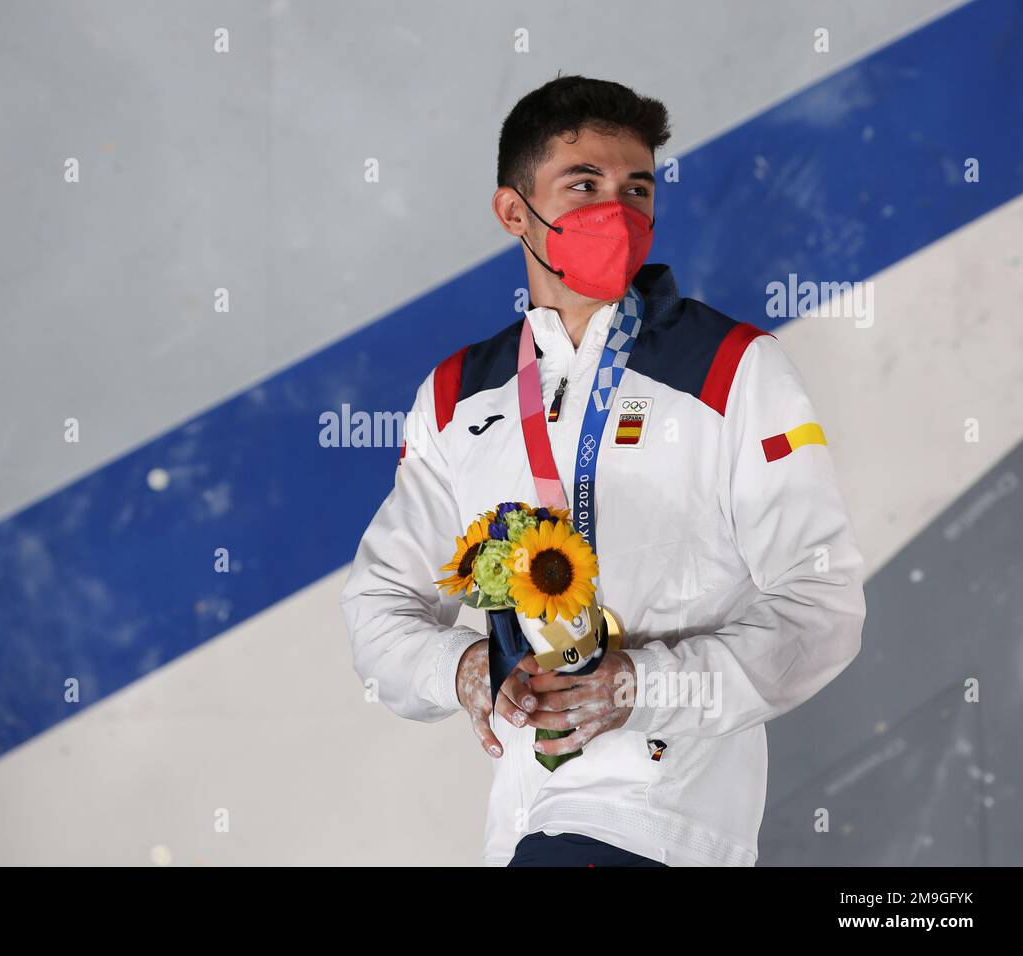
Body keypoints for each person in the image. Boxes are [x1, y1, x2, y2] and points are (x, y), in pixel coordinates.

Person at [339, 76, 865, 867]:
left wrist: (640, 685)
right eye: (584, 185)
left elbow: (821, 607)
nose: (615, 211)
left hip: (666, 820)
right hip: (519, 824)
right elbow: (377, 604)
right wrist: (464, 669)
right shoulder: (457, 395)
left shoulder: (734, 368)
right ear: (514, 211)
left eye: (637, 189)